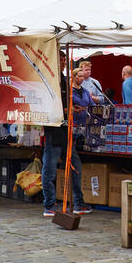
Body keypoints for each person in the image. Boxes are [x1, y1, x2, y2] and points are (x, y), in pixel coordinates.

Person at [41, 71, 93, 217]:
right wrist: (68, 109)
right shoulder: (48, 81)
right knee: (49, 170)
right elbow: (49, 108)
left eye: (64, 59)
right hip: (54, 134)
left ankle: (78, 203)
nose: (63, 62)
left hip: (67, 134)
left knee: (76, 167)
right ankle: (49, 205)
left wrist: (71, 109)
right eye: (61, 59)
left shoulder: (64, 81)